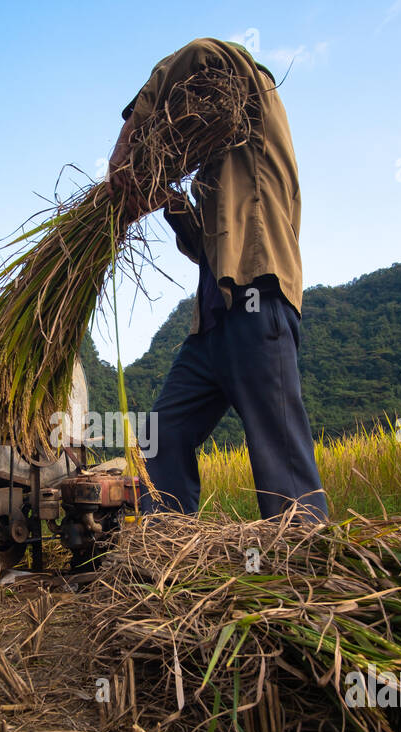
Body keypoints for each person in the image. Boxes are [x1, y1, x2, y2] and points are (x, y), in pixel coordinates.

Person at [109, 38, 328, 521]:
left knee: (279, 453)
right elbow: (202, 248)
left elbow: (203, 51)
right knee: (160, 434)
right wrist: (164, 197)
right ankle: (168, 550)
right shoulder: (220, 165)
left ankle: (307, 568)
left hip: (257, 303)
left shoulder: (257, 98)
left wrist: (128, 140)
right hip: (211, 327)